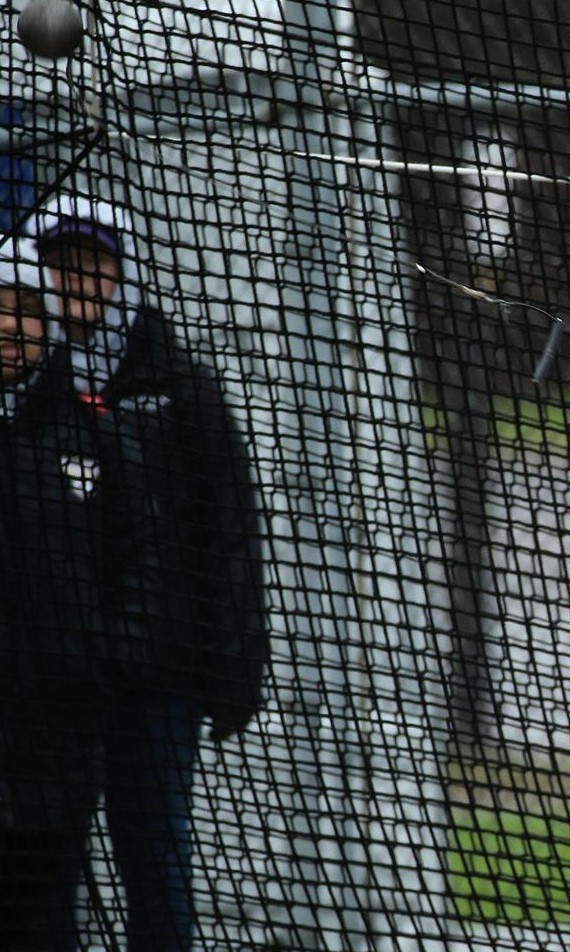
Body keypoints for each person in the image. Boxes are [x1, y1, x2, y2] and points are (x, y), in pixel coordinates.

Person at [31, 196, 269, 951]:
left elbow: (227, 530)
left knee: (155, 847)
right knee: (45, 859)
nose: (78, 283)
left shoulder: (180, 384)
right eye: (62, 267)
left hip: (159, 672)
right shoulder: (30, 389)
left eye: (93, 266)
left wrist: (232, 663)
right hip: (57, 674)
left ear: (121, 273)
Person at [0, 242, 144, 948]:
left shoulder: (88, 429)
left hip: (52, 751)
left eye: (26, 310)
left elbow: (129, 560)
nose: (10, 326)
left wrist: (100, 661)